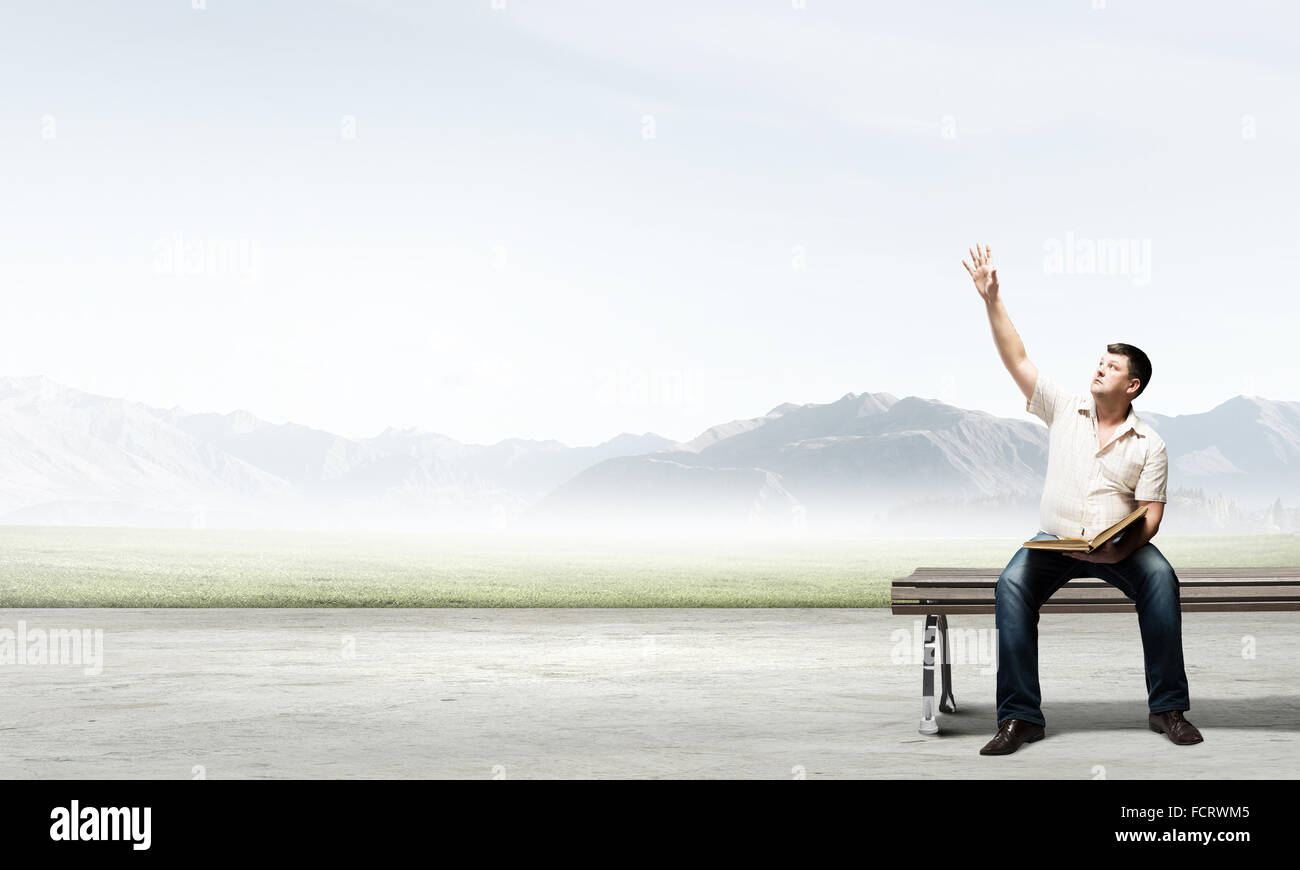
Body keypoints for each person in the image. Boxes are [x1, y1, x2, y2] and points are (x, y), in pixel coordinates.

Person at [960, 242, 1202, 756]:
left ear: (1132, 386)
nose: (1099, 370)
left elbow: (1151, 516)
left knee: (1161, 578)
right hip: (1054, 540)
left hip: (1120, 545)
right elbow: (1017, 358)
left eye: (1111, 368)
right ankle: (1021, 718)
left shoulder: (1150, 444)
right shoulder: (1063, 407)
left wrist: (1120, 548)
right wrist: (991, 300)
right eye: (1099, 362)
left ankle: (1168, 709)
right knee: (1010, 587)